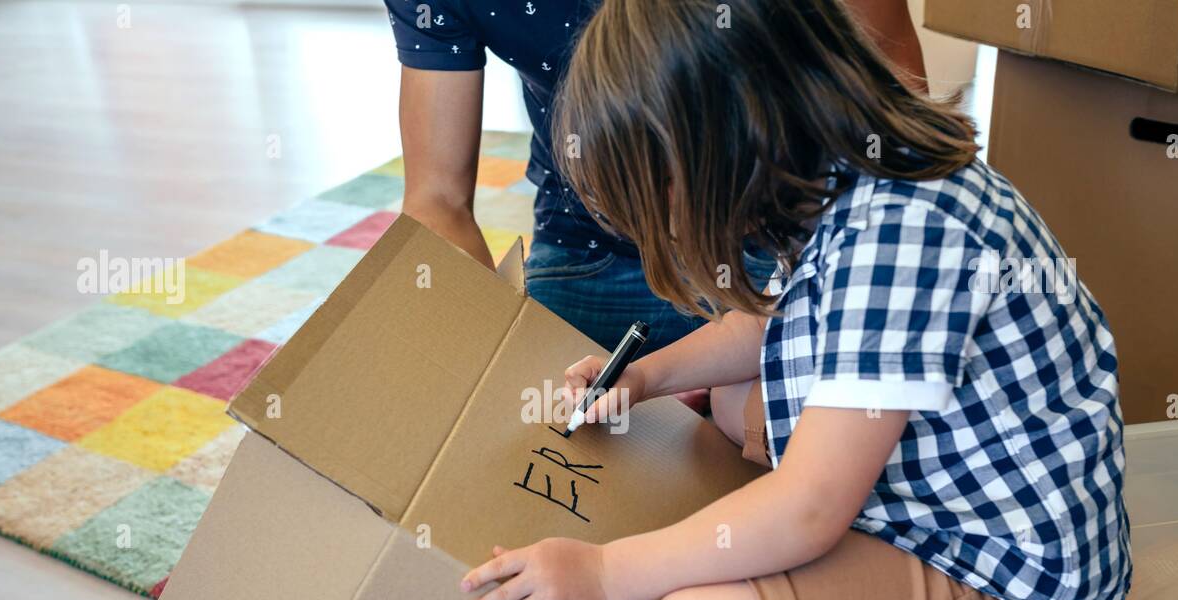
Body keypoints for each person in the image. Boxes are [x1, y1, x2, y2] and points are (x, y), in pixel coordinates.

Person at [459, 0, 1132, 600]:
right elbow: (771, 324)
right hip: (961, 505)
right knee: (743, 400)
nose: (665, 230)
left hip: (1006, 575)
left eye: (663, 199)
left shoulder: (900, 235)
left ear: (728, 139)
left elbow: (810, 509)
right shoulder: (849, 175)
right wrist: (647, 377)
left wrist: (603, 574)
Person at [383, 0, 926, 354]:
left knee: (760, 423)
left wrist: (787, 371)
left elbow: (892, 143)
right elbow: (436, 199)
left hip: (785, 241)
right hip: (591, 247)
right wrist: (479, 362)